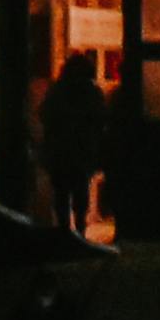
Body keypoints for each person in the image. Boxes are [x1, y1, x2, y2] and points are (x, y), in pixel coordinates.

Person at [33, 48, 113, 243]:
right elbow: (101, 118)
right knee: (80, 191)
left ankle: (63, 231)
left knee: (61, 192)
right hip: (83, 149)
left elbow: (44, 114)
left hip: (59, 150)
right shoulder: (92, 91)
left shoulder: (58, 89)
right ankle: (80, 230)